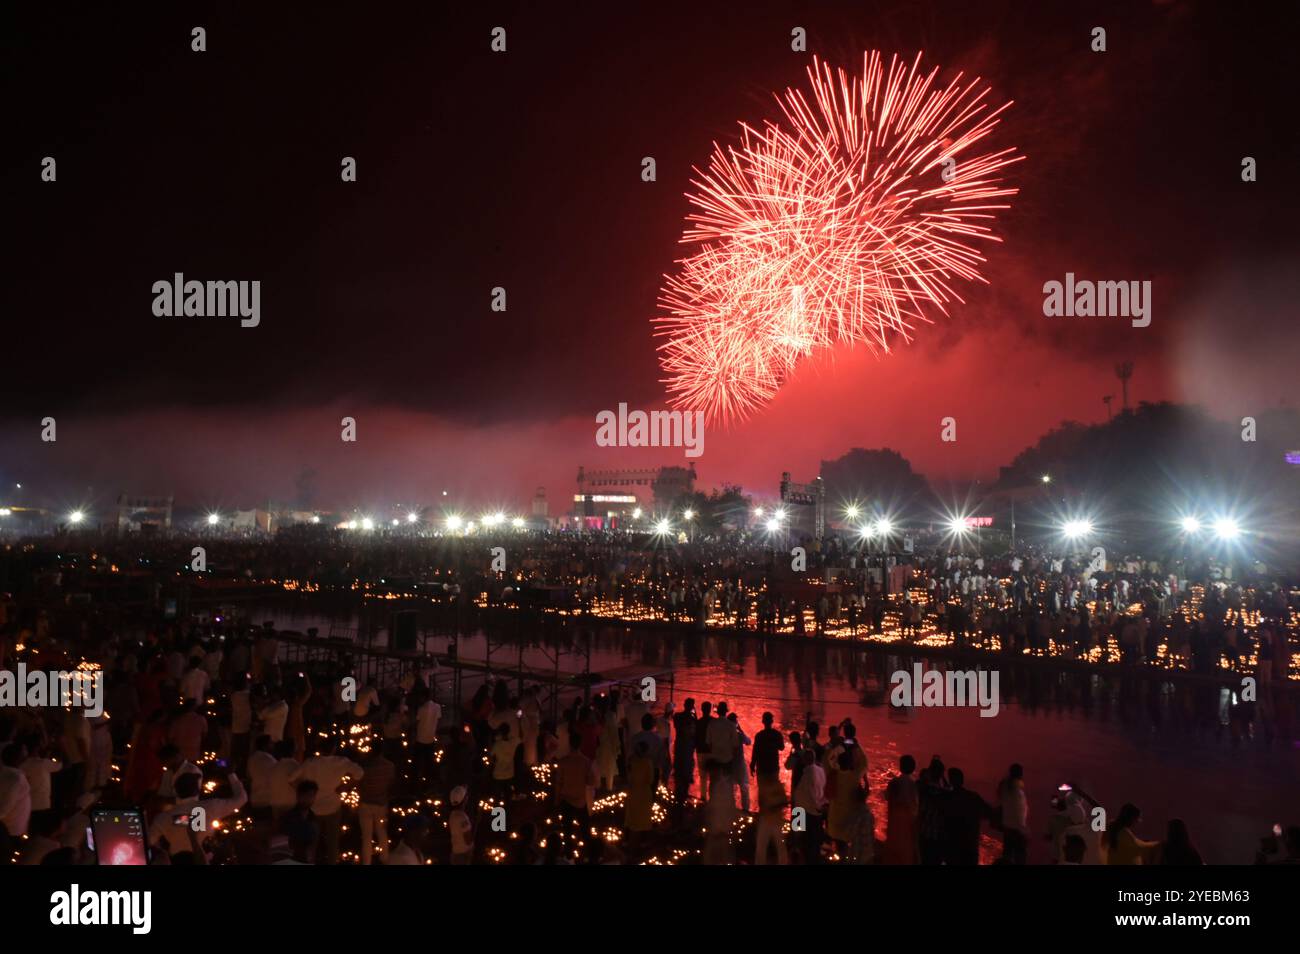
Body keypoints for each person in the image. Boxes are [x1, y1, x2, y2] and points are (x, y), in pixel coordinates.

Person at [290, 741, 363, 864]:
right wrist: (346, 787)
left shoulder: (311, 763)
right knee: (333, 843)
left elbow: (290, 778)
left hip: (314, 807)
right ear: (334, 749)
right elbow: (360, 773)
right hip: (333, 807)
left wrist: (303, 791)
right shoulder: (341, 762)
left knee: (311, 842)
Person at [941, 767, 990, 865]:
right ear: (962, 780)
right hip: (970, 848)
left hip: (953, 848)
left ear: (950, 780)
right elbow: (988, 813)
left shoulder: (946, 798)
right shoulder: (973, 797)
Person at [357, 745, 396, 865]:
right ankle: (385, 859)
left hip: (365, 804)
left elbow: (360, 785)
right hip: (381, 804)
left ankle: (366, 862)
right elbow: (391, 784)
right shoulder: (389, 766)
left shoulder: (365, 767)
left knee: (366, 836)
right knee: (382, 833)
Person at [793, 748, 827, 864]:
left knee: (804, 841)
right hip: (815, 811)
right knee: (814, 841)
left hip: (804, 811)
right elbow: (823, 789)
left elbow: (809, 794)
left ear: (805, 760)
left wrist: (817, 806)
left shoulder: (808, 774)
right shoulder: (820, 771)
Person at [883, 754, 919, 864]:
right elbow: (915, 806)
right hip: (908, 825)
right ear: (913, 768)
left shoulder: (893, 782)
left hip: (893, 823)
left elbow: (886, 796)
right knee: (906, 855)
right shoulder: (914, 785)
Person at [555, 731, 596, 823]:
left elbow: (558, 782)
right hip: (580, 800)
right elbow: (591, 782)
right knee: (584, 830)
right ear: (581, 744)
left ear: (569, 744)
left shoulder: (563, 762)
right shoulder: (586, 762)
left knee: (567, 830)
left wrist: (556, 800)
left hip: (566, 799)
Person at [623, 740, 655, 845]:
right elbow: (650, 779)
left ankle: (631, 842)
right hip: (644, 794)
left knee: (634, 818)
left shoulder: (632, 761)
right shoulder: (647, 763)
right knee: (642, 819)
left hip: (633, 792)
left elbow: (629, 777)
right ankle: (640, 842)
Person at [754, 773, 788, 865]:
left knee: (778, 846)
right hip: (766, 819)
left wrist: (773, 807)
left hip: (774, 820)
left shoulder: (776, 786)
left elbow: (784, 802)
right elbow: (761, 802)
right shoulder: (764, 787)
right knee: (762, 846)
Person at [750, 711, 785, 783]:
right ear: (772, 721)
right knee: (773, 790)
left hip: (761, 768)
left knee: (762, 790)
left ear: (763, 721)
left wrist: (752, 765)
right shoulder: (777, 734)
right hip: (773, 767)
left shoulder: (759, 735)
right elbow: (782, 747)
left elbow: (755, 752)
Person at [448, 786, 474, 864]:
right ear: (464, 800)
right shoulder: (462, 817)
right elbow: (468, 839)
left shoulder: (452, 815)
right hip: (463, 855)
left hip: (455, 852)